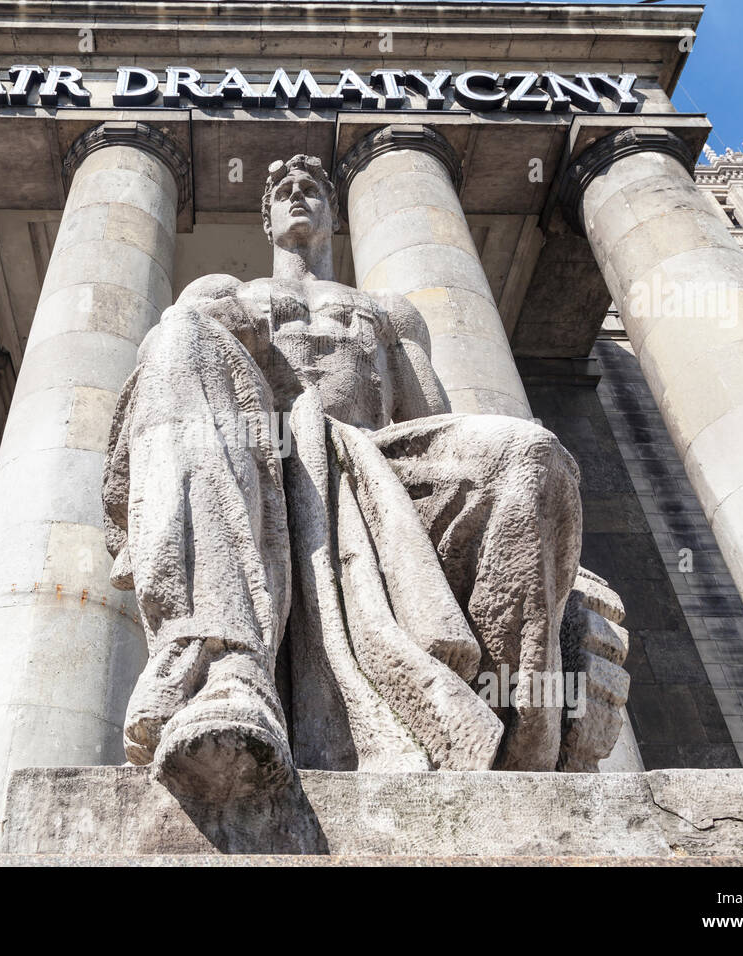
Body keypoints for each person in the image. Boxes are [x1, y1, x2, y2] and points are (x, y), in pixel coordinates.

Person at [103, 154, 602, 802]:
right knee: (181, 337)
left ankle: (517, 744)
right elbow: (166, 392)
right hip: (257, 455)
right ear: (266, 215)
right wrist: (234, 342)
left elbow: (431, 420)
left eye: (311, 188)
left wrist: (561, 549)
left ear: (335, 215)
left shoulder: (388, 311)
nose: (297, 194)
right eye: (283, 188)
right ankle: (219, 667)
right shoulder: (220, 296)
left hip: (376, 463)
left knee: (529, 453)